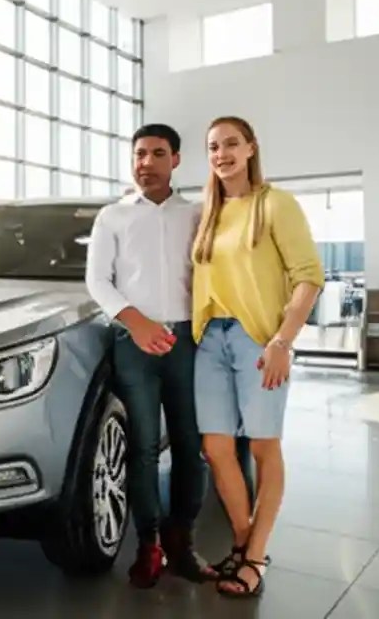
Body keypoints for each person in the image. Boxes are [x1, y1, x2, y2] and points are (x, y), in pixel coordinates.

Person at [190, 117, 323, 599]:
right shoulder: (208, 211)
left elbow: (309, 276)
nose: (221, 154)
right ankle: (246, 543)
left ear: (251, 148)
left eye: (231, 144)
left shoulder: (275, 204)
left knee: (265, 447)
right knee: (216, 449)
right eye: (213, 147)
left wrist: (282, 342)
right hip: (210, 340)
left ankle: (255, 556)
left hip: (258, 340)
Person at [85, 123, 215, 588]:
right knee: (141, 448)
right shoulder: (113, 216)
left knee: (189, 446)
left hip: (187, 343)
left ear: (175, 160)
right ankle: (149, 545)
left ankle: (182, 543)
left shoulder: (197, 214)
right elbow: (98, 280)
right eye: (140, 154)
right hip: (134, 342)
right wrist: (136, 323)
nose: (146, 162)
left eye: (158, 153)